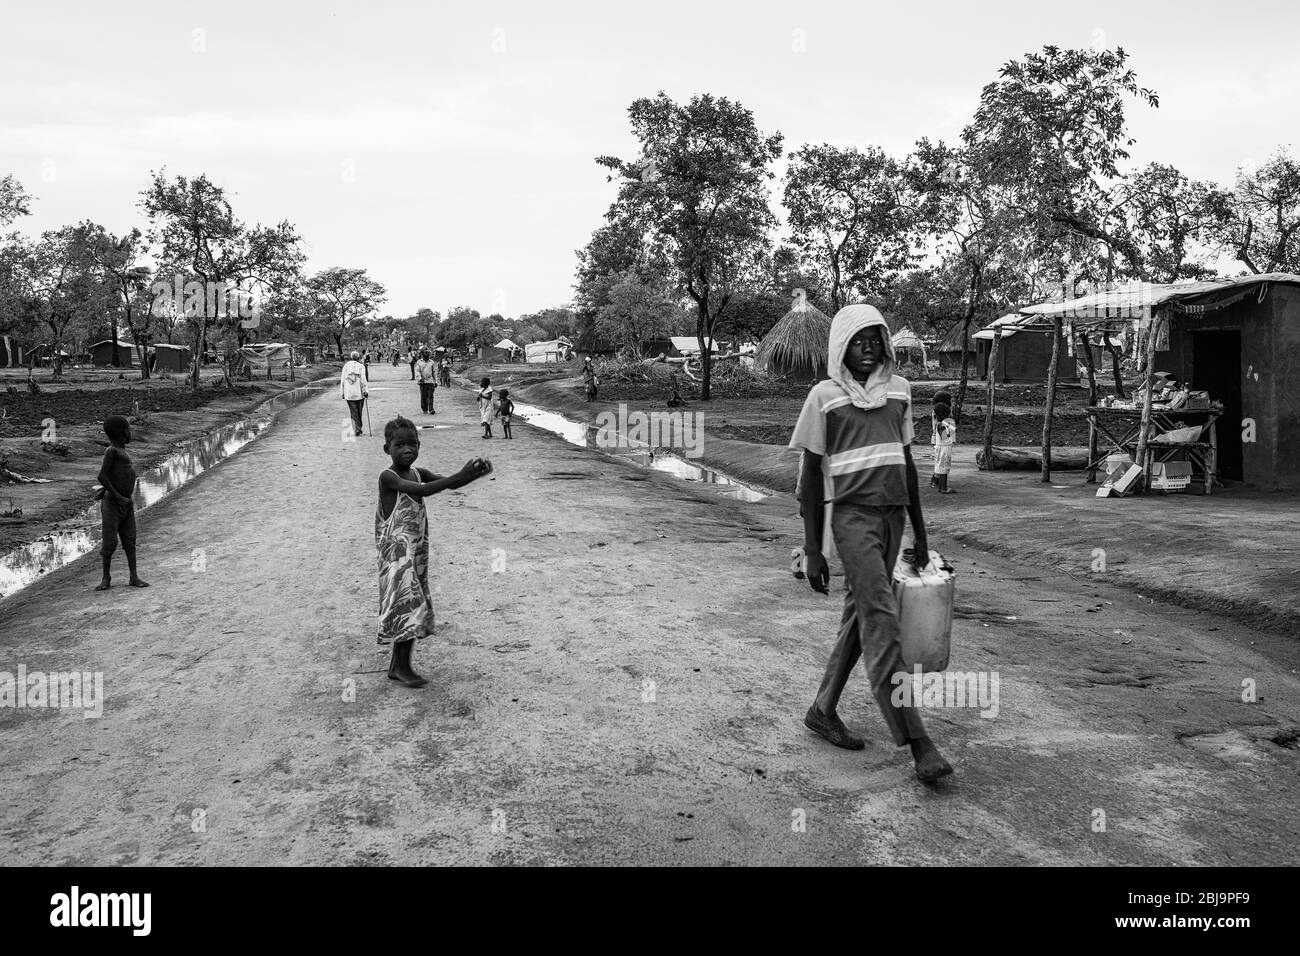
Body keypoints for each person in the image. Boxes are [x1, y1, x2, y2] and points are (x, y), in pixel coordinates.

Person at [790, 303, 952, 784]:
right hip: (852, 519)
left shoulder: (899, 392)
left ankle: (822, 709)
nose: (868, 348)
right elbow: (810, 480)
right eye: (857, 340)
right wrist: (813, 549)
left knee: (860, 620)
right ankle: (918, 741)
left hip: (894, 517)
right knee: (881, 620)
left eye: (875, 339)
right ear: (840, 346)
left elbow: (906, 465)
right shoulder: (824, 397)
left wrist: (921, 533)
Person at [376, 416, 493, 686]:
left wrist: (471, 476)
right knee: (407, 605)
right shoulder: (389, 477)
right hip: (395, 557)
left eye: (413, 444)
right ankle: (401, 667)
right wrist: (461, 475)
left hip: (415, 553)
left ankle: (398, 665)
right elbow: (425, 491)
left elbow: (448, 484)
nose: (407, 450)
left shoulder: (419, 471)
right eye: (399, 445)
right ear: (387, 449)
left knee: (413, 603)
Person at [93, 415, 148, 591]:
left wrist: (126, 499)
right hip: (112, 504)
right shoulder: (112, 451)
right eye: (128, 431)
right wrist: (118, 496)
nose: (130, 434)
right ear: (122, 434)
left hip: (126, 504)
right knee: (109, 543)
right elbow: (102, 476)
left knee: (130, 540)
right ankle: (105, 578)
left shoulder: (122, 451)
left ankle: (133, 576)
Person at [340, 350, 369, 436]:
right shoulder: (361, 366)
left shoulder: (346, 366)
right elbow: (363, 380)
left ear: (351, 357)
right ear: (358, 358)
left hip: (349, 393)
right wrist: (366, 391)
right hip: (359, 392)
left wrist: (342, 392)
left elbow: (342, 380)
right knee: (359, 411)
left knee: (353, 411)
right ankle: (358, 428)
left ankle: (357, 428)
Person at [929, 389, 953, 487]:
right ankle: (938, 481)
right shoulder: (944, 416)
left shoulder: (935, 411)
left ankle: (935, 480)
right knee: (942, 460)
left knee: (938, 459)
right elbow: (949, 434)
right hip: (943, 441)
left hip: (936, 438)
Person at [932, 402, 956, 493]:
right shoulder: (941, 425)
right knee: (944, 467)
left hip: (941, 447)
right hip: (944, 448)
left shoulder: (939, 424)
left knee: (941, 467)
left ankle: (941, 487)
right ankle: (943, 488)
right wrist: (951, 427)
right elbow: (946, 436)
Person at [415, 349, 438, 414]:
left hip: (430, 381)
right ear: (422, 355)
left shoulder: (432, 362)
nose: (427, 356)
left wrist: (435, 381)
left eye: (428, 355)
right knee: (423, 396)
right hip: (422, 382)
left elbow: (434, 372)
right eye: (426, 355)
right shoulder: (419, 362)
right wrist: (419, 378)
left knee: (430, 396)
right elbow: (417, 371)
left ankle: (431, 409)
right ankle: (424, 409)